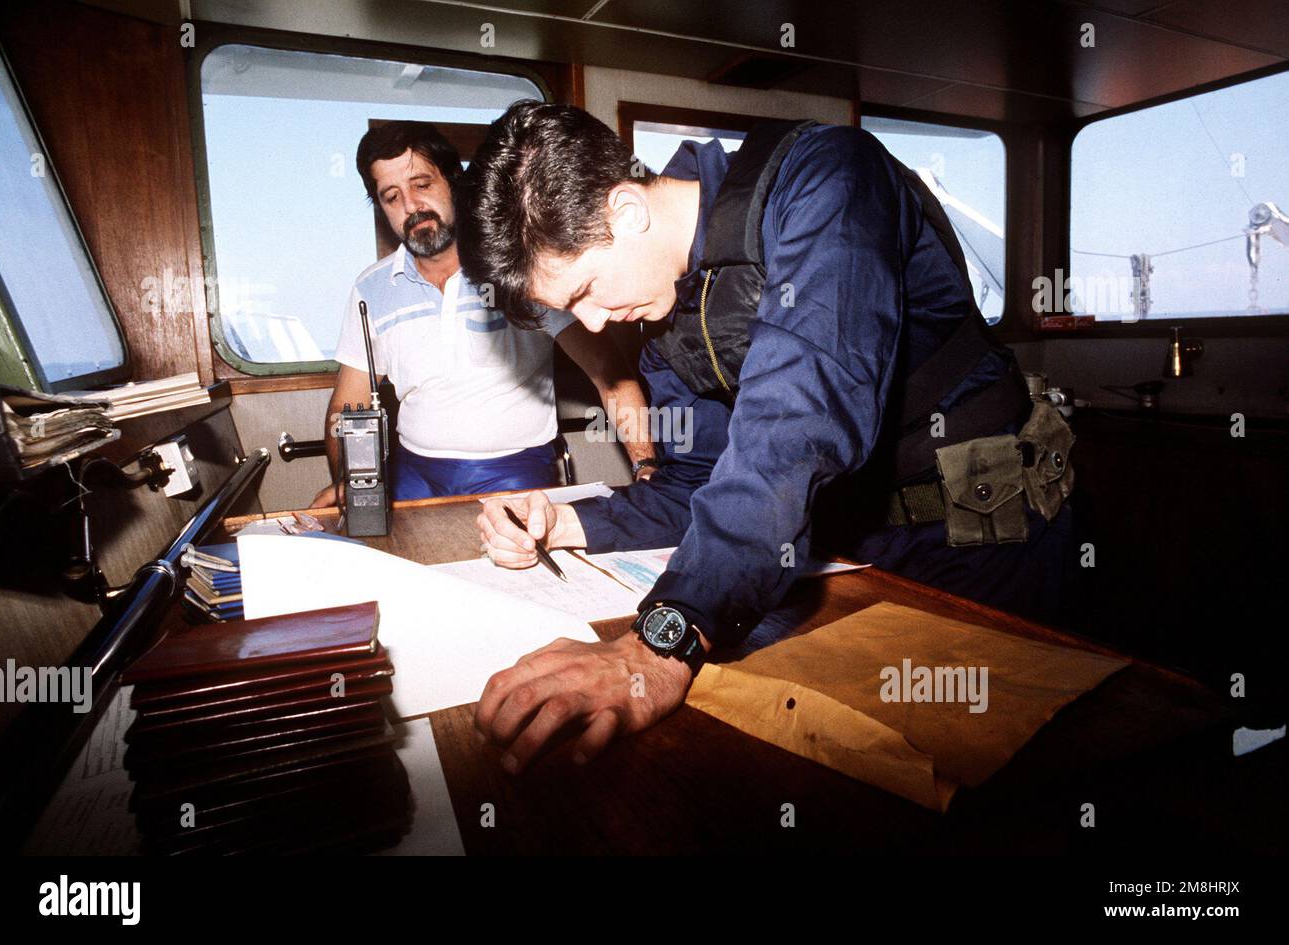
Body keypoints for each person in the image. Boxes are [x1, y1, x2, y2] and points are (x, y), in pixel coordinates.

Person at [458, 102, 1079, 775]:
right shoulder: (670, 316)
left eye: (585, 290)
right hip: (861, 551)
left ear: (628, 210)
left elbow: (795, 425)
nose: (595, 324)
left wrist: (660, 642)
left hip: (986, 536)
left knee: (1011, 779)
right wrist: (563, 523)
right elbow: (694, 484)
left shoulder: (829, 181)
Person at [311, 121, 655, 507]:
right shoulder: (371, 289)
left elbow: (610, 375)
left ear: (454, 182)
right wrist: (351, 481)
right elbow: (346, 407)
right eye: (391, 196)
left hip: (515, 469)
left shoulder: (518, 268)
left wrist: (645, 464)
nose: (411, 207)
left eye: (422, 185)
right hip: (413, 473)